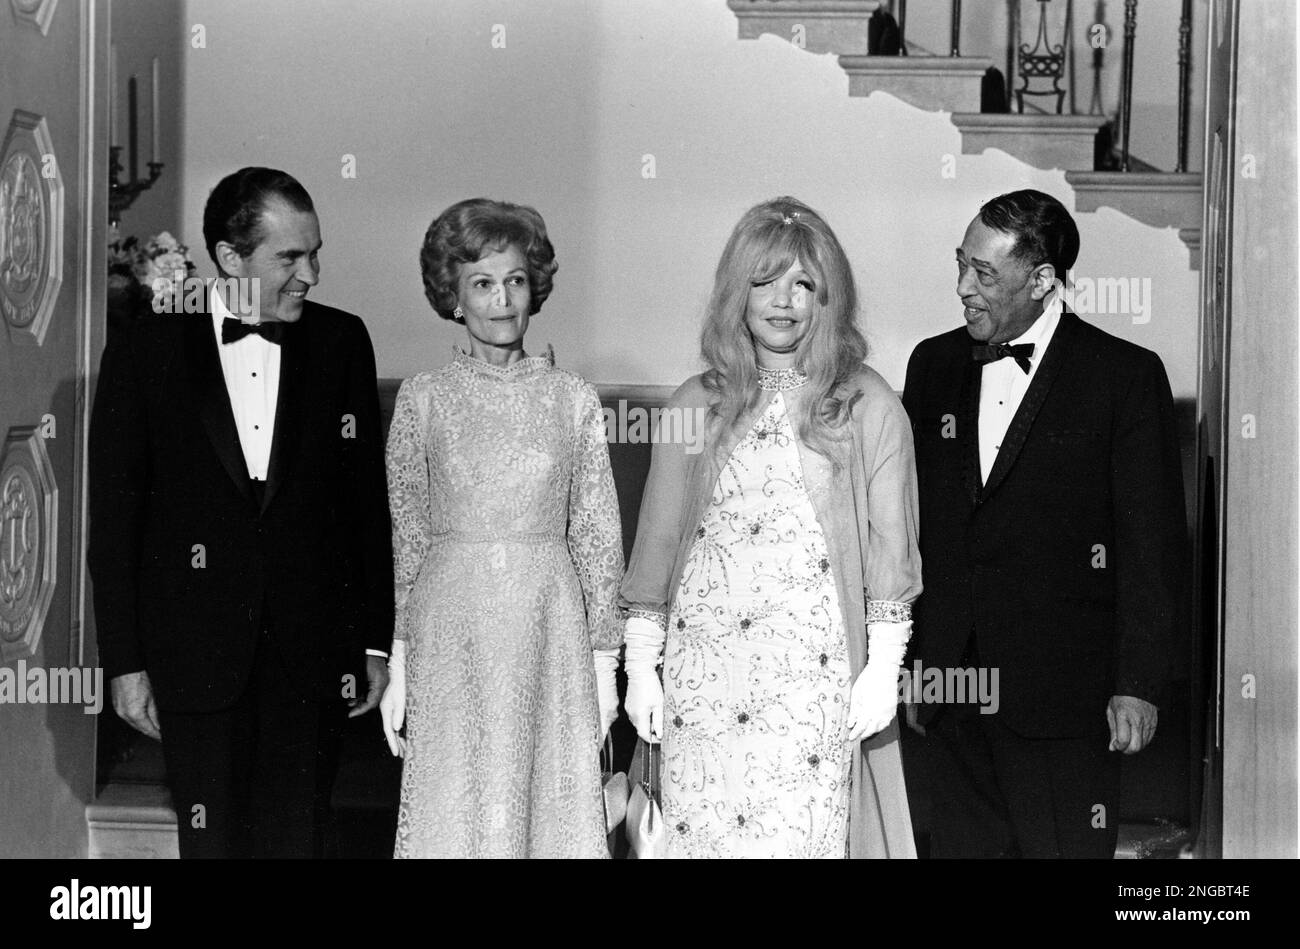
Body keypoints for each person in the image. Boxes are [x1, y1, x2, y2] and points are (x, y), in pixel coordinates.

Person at [88, 167, 394, 858]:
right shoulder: (146, 349)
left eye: (315, 252)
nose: (310, 273)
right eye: (290, 257)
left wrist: (374, 641)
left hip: (312, 657)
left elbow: (364, 507)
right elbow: (115, 521)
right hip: (193, 659)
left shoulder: (343, 343)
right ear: (230, 258)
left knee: (300, 839)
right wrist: (125, 662)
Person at [619, 197, 921, 858]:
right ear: (737, 293)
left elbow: (892, 546)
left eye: (803, 284)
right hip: (704, 678)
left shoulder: (867, 402)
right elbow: (659, 539)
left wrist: (883, 666)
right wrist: (642, 665)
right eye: (764, 281)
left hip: (811, 680)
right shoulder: (692, 402)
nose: (782, 301)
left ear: (828, 299)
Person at [899, 189, 1187, 858]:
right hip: (949, 692)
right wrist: (914, 665)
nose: (963, 287)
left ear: (1042, 280)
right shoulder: (931, 365)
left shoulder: (1126, 377)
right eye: (960, 264)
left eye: (984, 274)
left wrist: (1138, 684)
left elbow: (1153, 546)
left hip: (1067, 701)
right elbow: (914, 525)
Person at [379, 198, 623, 858]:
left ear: (534, 286)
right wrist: (400, 658)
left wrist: (606, 668)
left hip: (549, 626)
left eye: (515, 280)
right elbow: (408, 535)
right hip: (449, 629)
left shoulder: (572, 397)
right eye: (482, 283)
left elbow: (597, 538)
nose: (501, 299)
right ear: (453, 297)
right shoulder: (422, 398)